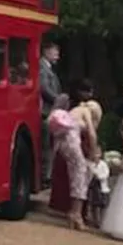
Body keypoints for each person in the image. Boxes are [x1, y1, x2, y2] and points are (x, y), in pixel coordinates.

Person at [47, 98, 102, 231]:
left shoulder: (75, 110)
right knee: (81, 174)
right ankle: (75, 214)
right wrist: (94, 152)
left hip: (62, 143)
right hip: (71, 141)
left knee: (77, 174)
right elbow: (92, 134)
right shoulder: (86, 112)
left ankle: (75, 213)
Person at [39, 42, 62, 186]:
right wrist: (58, 99)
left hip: (50, 110)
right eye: (55, 53)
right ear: (46, 51)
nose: (57, 57)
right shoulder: (42, 69)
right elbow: (44, 89)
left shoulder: (48, 69)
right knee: (46, 145)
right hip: (46, 111)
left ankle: (47, 174)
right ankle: (45, 175)